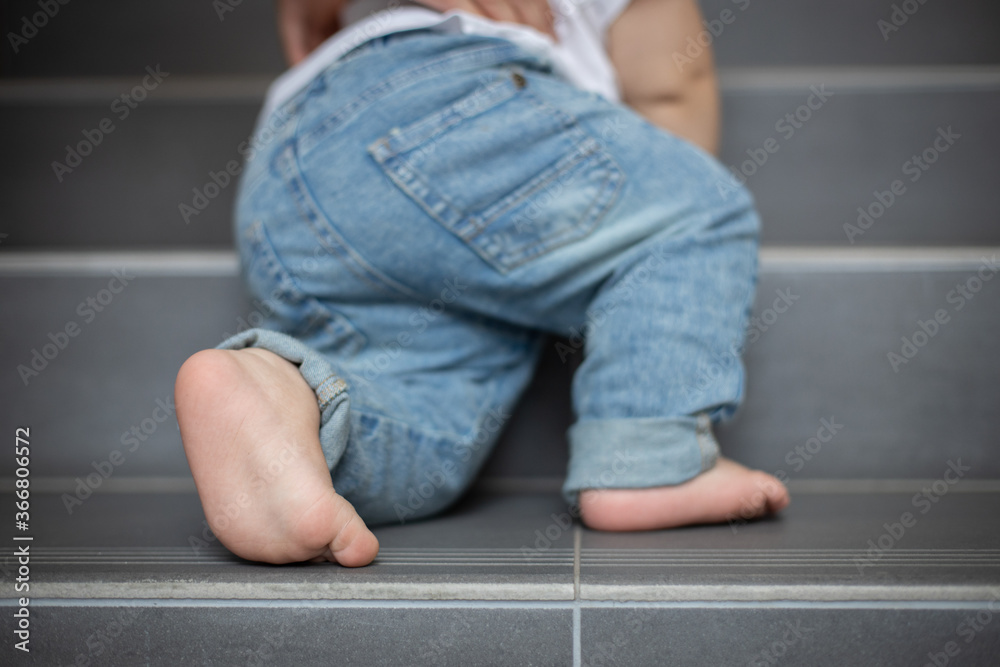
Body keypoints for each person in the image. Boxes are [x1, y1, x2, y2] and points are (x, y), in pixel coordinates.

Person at [175, 0, 789, 567]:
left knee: (433, 431)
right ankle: (654, 457)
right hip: (449, 107)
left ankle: (283, 403)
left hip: (284, 187)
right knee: (697, 211)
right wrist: (642, 255)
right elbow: (671, 87)